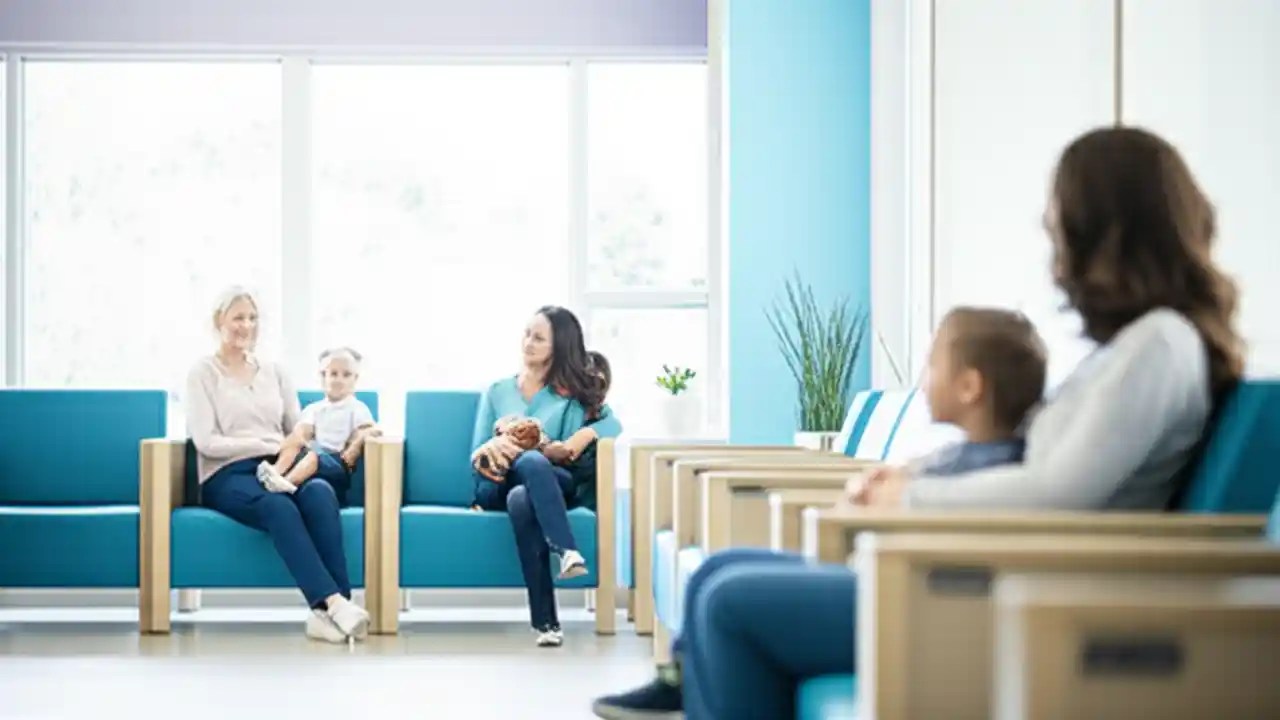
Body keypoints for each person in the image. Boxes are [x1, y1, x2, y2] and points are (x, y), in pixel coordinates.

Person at [592, 126, 1244, 720]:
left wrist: (912, 496)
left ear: (1106, 227)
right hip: (989, 570)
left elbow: (1057, 491)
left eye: (1059, 223)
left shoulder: (1159, 346)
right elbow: (1022, 460)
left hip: (1021, 597)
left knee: (730, 603)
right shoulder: (1134, 347)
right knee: (721, 575)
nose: (1052, 242)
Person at [186, 287, 371, 644]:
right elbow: (206, 441)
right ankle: (336, 602)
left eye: (252, 318)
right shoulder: (203, 373)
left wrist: (286, 452)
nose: (247, 325)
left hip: (280, 467)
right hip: (228, 473)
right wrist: (265, 444)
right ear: (218, 322)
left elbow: (295, 430)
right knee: (277, 504)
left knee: (318, 492)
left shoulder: (275, 372)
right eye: (238, 317)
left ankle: (326, 616)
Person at [472, 306, 622, 647]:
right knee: (526, 468)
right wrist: (498, 445)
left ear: (559, 346)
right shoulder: (497, 390)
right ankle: (567, 549)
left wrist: (581, 437)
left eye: (539, 338)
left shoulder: (571, 395)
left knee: (524, 496)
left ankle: (547, 624)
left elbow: (613, 423)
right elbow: (475, 453)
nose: (528, 342)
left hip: (554, 482)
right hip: (496, 482)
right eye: (527, 334)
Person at [256, 346, 380, 505]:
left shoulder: (356, 408)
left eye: (346, 375)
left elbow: (369, 429)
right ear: (323, 378)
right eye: (333, 374)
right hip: (311, 457)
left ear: (355, 380)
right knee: (295, 442)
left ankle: (286, 483)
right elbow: (302, 432)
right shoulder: (314, 409)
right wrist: (299, 439)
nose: (338, 380)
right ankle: (276, 472)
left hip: (338, 463)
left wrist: (354, 448)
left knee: (315, 456)